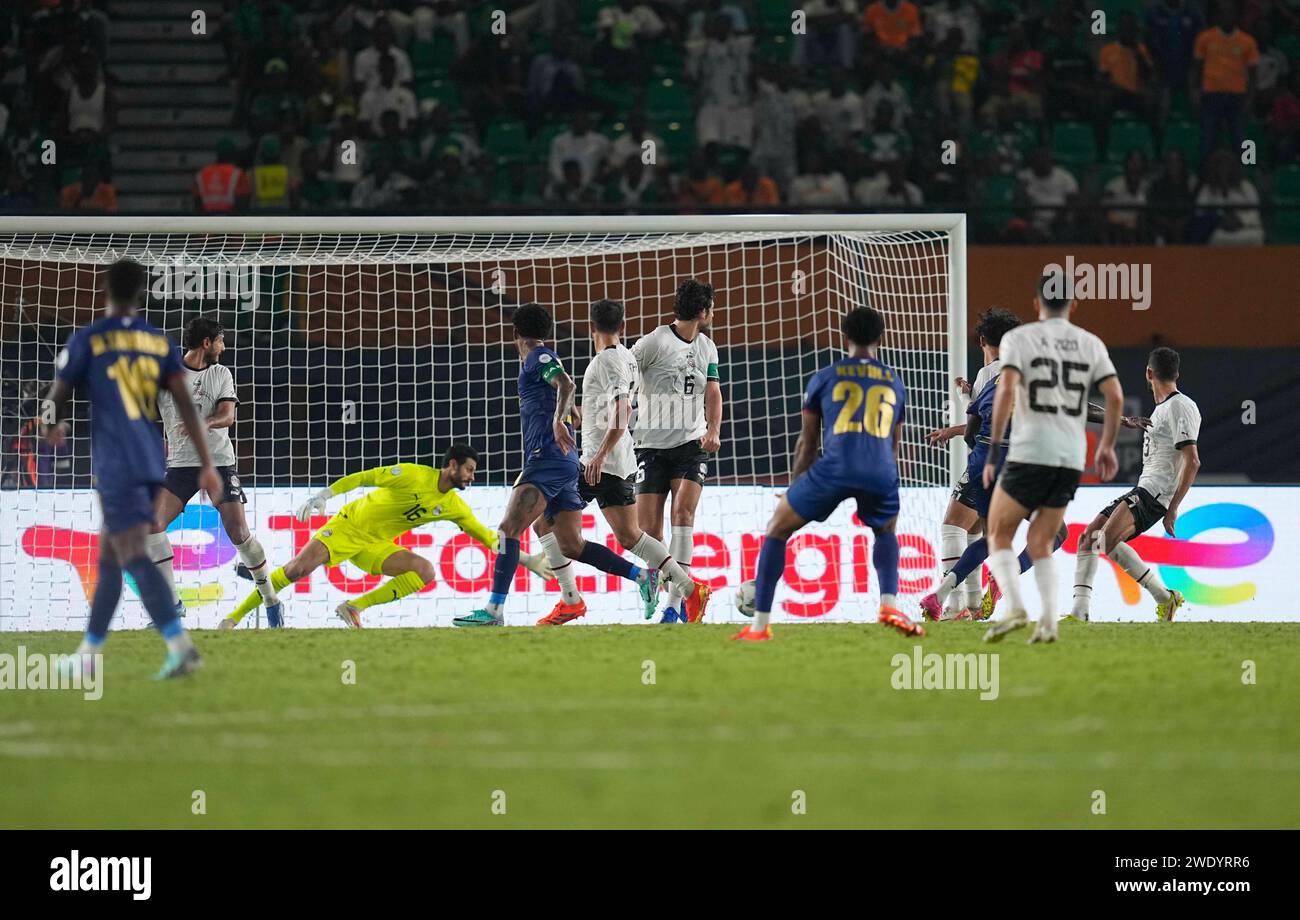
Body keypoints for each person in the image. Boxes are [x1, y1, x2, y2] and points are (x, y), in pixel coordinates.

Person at [43, 258, 218, 679]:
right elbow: (185, 407)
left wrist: (51, 424)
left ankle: (180, 646)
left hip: (116, 463)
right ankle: (88, 655)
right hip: (151, 460)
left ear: (106, 290)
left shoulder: (91, 338)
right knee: (109, 556)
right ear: (142, 293)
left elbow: (56, 394)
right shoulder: (159, 342)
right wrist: (207, 462)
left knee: (132, 553)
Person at [452, 304, 654, 627]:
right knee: (571, 544)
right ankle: (641, 576)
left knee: (507, 531)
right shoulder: (541, 360)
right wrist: (569, 414)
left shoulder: (537, 356)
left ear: (515, 333)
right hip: (564, 464)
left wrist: (559, 419)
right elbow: (562, 393)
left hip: (545, 459)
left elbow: (566, 384)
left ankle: (493, 612)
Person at [733, 306, 921, 641]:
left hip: (835, 467)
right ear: (881, 339)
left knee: (777, 529)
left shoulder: (825, 376)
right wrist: (888, 480)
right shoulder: (895, 380)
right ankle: (889, 603)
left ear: (844, 337)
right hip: (880, 469)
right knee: (886, 530)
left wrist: (793, 487)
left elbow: (808, 441)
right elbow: (894, 443)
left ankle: (760, 625)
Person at [223, 444, 553, 629]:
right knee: (296, 570)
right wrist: (324, 495)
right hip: (348, 526)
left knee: (424, 571)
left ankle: (353, 607)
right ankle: (233, 618)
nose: (473, 475)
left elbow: (486, 538)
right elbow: (364, 477)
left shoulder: (454, 506)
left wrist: (526, 560)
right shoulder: (412, 475)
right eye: (469, 469)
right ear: (452, 465)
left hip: (375, 545)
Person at [532, 299, 710, 623]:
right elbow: (609, 409)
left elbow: (622, 410)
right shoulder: (628, 358)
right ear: (623, 327)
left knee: (543, 521)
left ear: (591, 328)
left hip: (598, 463)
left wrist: (598, 455)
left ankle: (571, 599)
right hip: (617, 459)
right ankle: (686, 587)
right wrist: (575, 417)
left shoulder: (606, 362)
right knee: (632, 537)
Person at [981, 273, 1123, 645]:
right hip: (1071, 457)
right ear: (1073, 305)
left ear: (1036, 304)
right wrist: (1106, 446)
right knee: (1042, 540)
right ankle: (1048, 622)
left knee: (998, 532)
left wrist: (995, 449)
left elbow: (1007, 391)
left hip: (1030, 450)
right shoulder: (1090, 343)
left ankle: (1014, 607)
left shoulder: (1019, 339)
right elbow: (1115, 397)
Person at [151, 317, 282, 626]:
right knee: (151, 527)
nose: (223, 348)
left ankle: (271, 600)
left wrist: (202, 423)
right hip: (182, 465)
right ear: (207, 343)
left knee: (238, 532)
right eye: (221, 342)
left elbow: (227, 416)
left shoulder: (221, 373)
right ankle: (172, 605)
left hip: (219, 461)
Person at [1070, 348, 1201, 622]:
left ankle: (1165, 597)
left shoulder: (1180, 406)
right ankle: (1079, 613)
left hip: (1156, 494)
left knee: (1103, 540)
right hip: (1144, 489)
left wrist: (1172, 507)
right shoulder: (1162, 409)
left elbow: (1193, 461)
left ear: (1148, 373)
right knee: (1088, 540)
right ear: (1176, 373)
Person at [631, 279, 723, 623]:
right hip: (650, 447)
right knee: (647, 532)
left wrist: (713, 430)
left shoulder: (706, 347)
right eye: (712, 307)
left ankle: (674, 607)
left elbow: (712, 392)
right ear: (702, 311)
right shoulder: (653, 342)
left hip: (692, 445)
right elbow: (623, 373)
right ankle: (665, 580)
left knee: (683, 515)